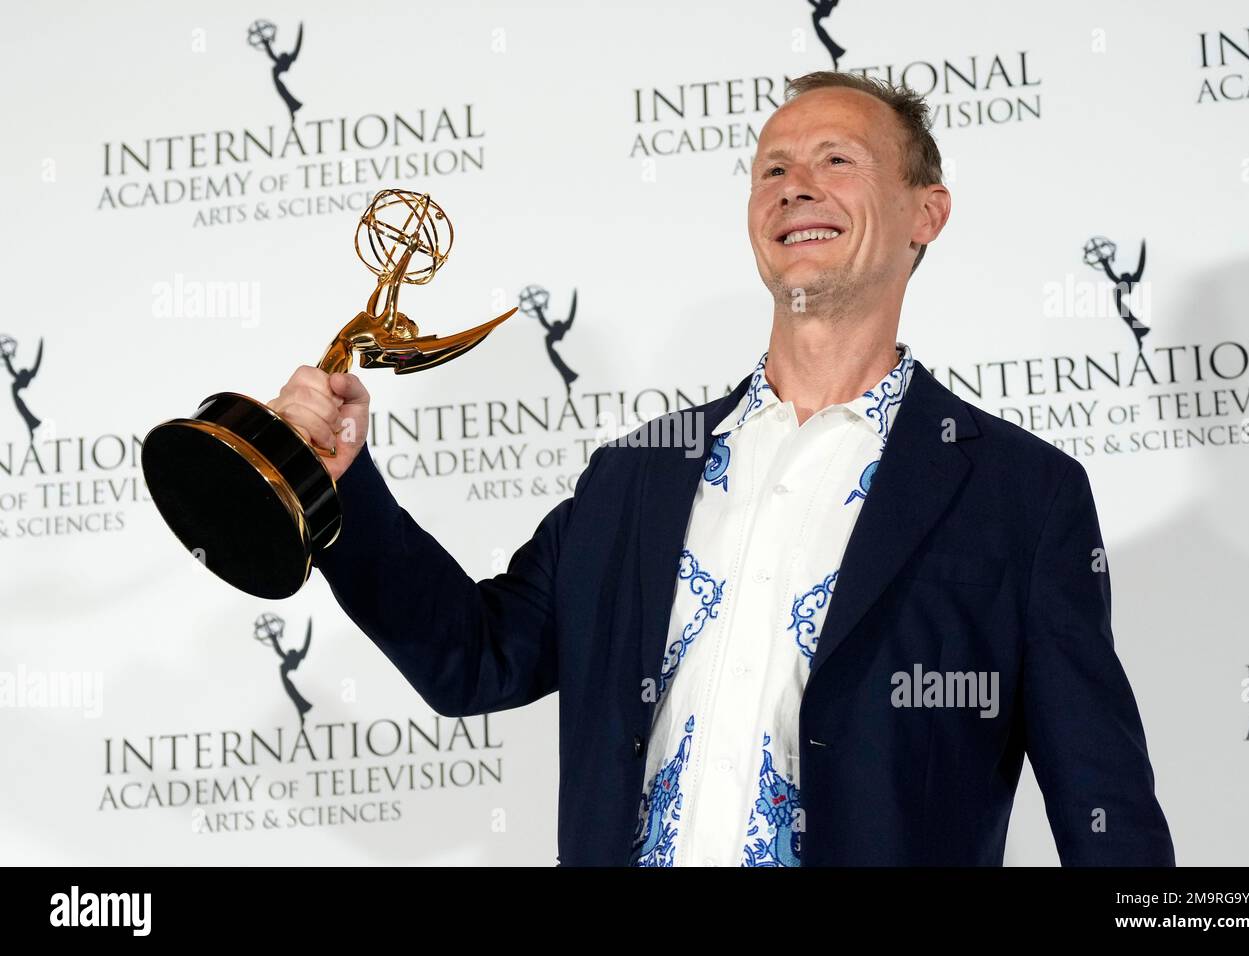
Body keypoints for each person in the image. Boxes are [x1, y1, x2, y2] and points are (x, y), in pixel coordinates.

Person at [266, 71, 1175, 867]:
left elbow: (1106, 814)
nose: (794, 188)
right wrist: (342, 486)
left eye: (836, 161)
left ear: (926, 212)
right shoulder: (633, 479)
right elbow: (474, 658)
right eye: (772, 169)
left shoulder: (1021, 495)